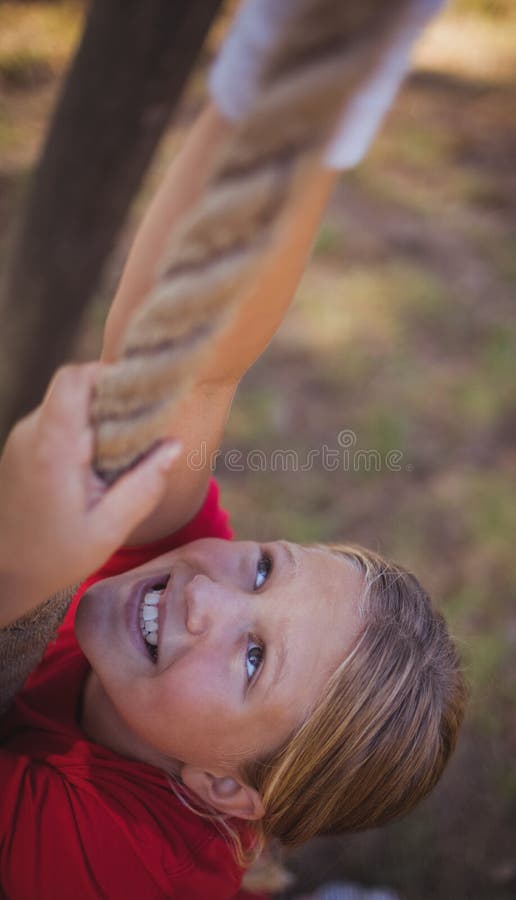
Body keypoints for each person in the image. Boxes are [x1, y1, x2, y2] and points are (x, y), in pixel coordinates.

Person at [0, 2, 465, 897]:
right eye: (262, 569)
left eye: (254, 659)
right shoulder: (173, 600)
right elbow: (198, 372)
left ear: (221, 787)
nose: (209, 593)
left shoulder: (98, 861)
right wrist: (294, 93)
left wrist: (16, 566)